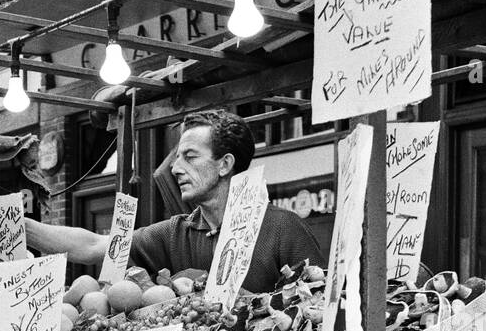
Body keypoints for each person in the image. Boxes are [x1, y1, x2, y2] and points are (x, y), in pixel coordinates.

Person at [24, 109, 325, 295]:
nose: (175, 167)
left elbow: (316, 308)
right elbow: (92, 246)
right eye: (177, 156)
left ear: (225, 164)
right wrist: (18, 225)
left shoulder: (283, 229)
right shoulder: (174, 234)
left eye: (190, 157)